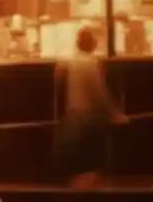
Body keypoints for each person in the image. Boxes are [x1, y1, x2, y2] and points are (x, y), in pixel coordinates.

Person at [54, 26, 128, 188]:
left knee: (72, 156)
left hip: (72, 112)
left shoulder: (71, 62)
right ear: (92, 44)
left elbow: (59, 77)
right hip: (88, 116)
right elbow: (99, 93)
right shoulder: (91, 63)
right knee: (90, 158)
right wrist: (115, 114)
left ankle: (74, 186)